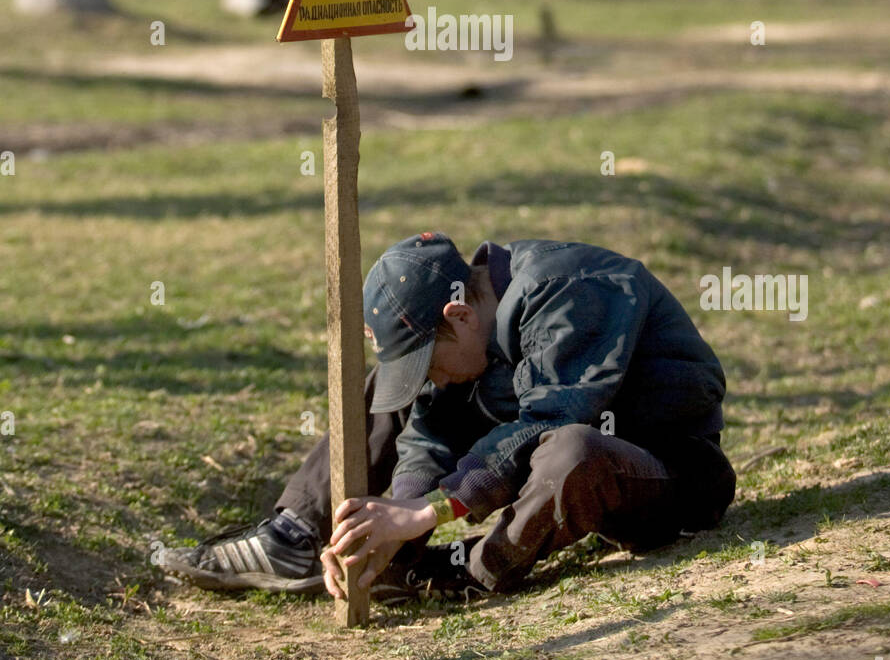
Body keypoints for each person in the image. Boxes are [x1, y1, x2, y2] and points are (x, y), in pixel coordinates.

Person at [158, 233, 737, 600]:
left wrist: (430, 510)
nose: (429, 379)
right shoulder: (474, 328)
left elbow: (550, 418)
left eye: (428, 361)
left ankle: (462, 574)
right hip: (564, 442)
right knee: (383, 388)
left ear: (458, 315)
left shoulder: (567, 290)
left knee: (571, 452)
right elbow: (431, 428)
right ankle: (305, 536)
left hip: (668, 471)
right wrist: (394, 512)